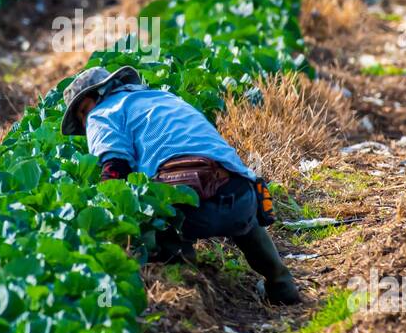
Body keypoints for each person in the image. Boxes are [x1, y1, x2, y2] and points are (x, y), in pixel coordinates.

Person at [61, 65, 302, 305]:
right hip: (244, 195)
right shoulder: (164, 98)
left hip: (192, 208)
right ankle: (281, 285)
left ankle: (184, 291)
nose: (84, 121)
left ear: (100, 95)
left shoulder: (102, 112)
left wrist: (105, 222)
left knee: (154, 216)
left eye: (83, 111)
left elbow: (115, 169)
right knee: (246, 225)